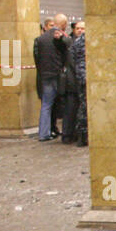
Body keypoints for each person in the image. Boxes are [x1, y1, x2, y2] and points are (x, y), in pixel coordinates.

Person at [34, 13, 70, 141]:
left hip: (45, 76)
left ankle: (44, 133)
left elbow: (37, 59)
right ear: (64, 25)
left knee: (46, 105)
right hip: (60, 76)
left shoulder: (40, 39)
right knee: (66, 104)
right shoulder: (64, 38)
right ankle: (67, 132)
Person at [70, 23, 87, 146]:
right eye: (78, 28)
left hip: (80, 77)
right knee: (85, 107)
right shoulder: (91, 39)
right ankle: (83, 135)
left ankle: (82, 136)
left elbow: (72, 59)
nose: (80, 30)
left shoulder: (76, 42)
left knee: (83, 106)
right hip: (87, 77)